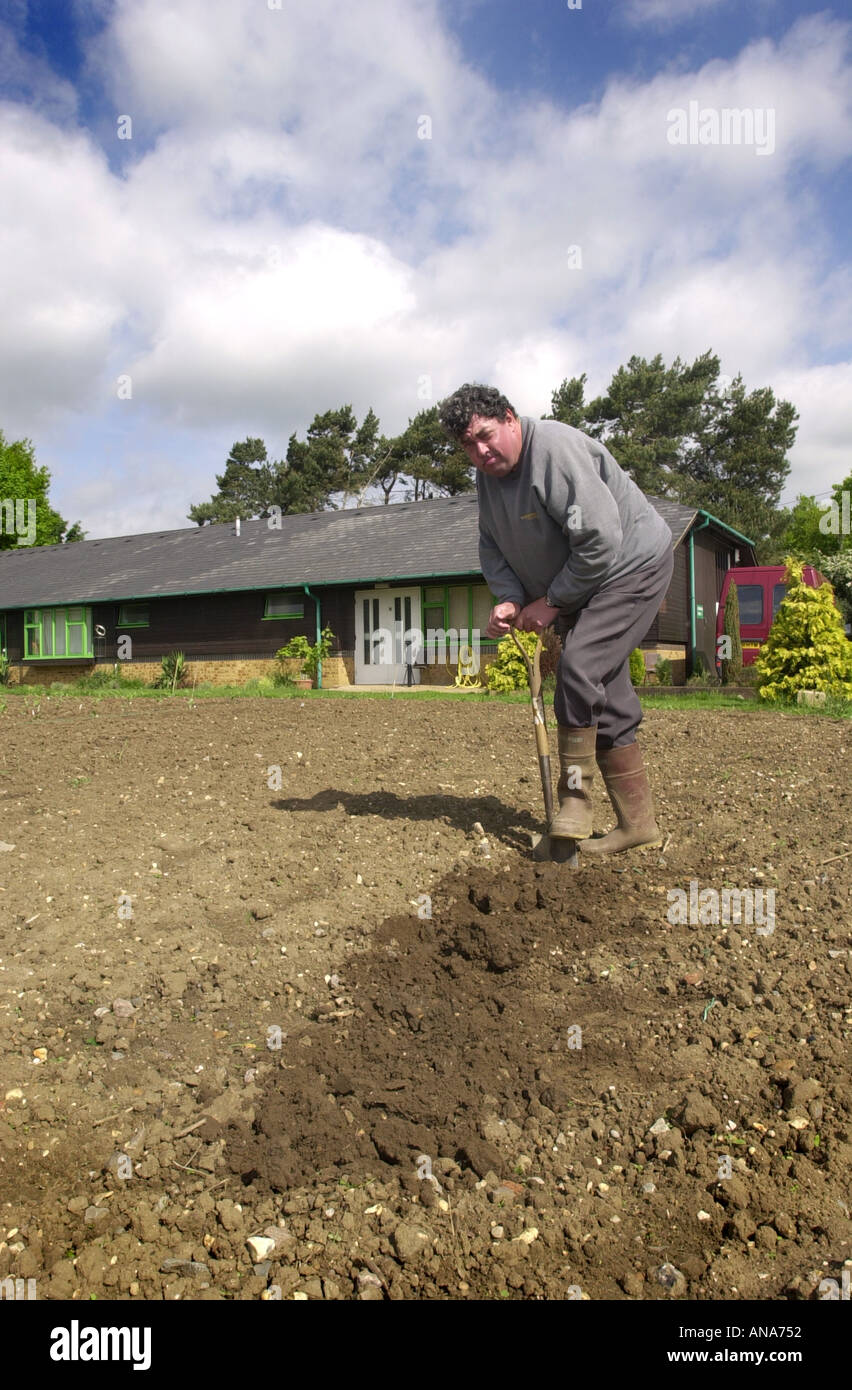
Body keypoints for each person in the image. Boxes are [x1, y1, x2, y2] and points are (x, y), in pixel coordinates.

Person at [438, 382, 674, 854]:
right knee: (604, 695)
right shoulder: (489, 480)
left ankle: (575, 801)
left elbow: (602, 540)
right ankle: (638, 826)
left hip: (629, 568)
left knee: (579, 668)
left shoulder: (553, 449)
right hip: (583, 587)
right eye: (468, 445)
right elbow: (492, 547)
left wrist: (550, 602)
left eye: (486, 435)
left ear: (509, 417)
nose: (480, 451)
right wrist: (508, 598)